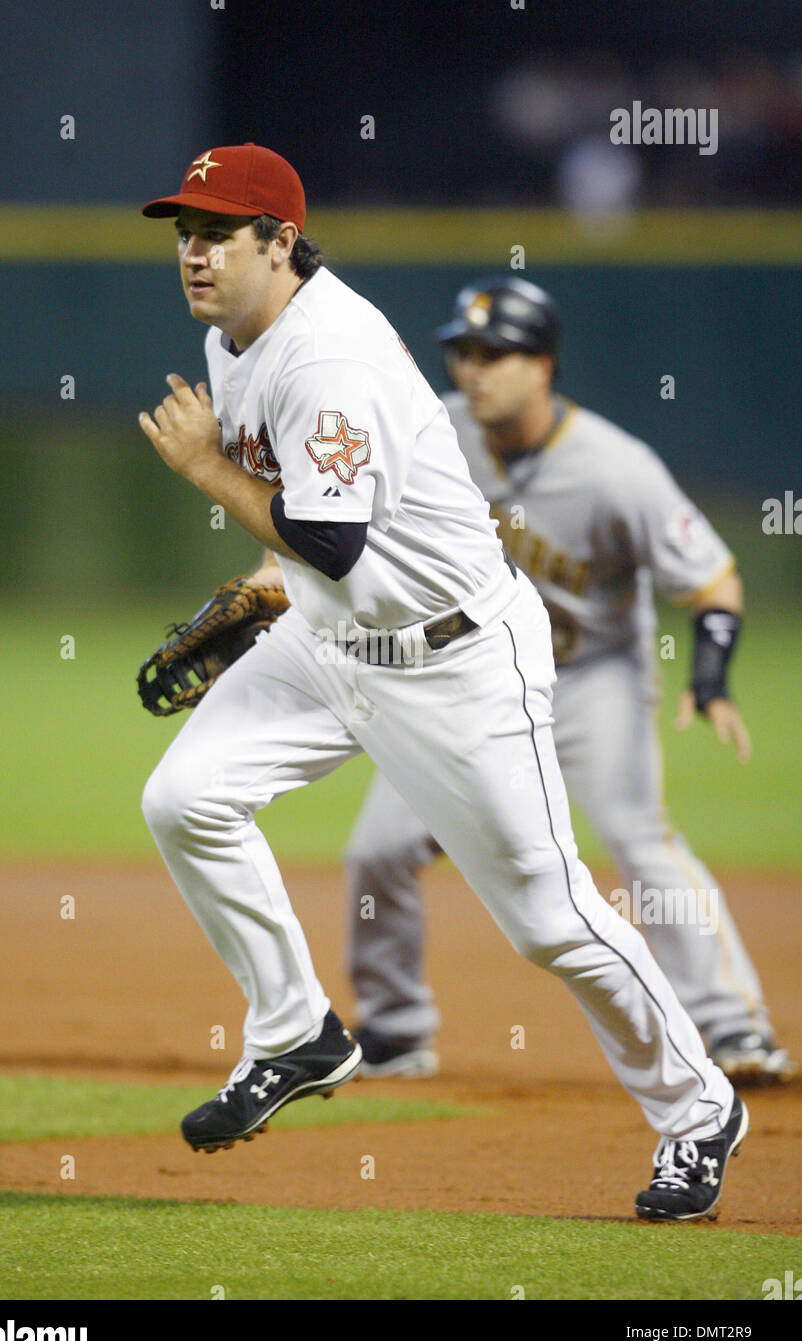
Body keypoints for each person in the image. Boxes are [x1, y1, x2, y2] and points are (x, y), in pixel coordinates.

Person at [137, 143, 747, 1221]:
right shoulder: (229, 337)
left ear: (281, 242)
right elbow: (322, 552)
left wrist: (200, 471)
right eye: (185, 232)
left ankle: (698, 1110)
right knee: (184, 798)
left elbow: (326, 534)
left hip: (453, 657)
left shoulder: (329, 357)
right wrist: (259, 594)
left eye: (218, 232)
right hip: (330, 644)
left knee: (548, 922)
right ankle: (295, 1031)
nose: (194, 252)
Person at [346, 276, 795, 1089]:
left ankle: (736, 1028)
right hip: (469, 677)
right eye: (463, 353)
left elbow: (716, 580)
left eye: (495, 354)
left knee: (639, 841)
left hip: (593, 680)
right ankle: (395, 1027)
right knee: (378, 849)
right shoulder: (431, 432)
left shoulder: (617, 469)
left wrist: (711, 675)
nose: (474, 370)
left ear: (543, 363)